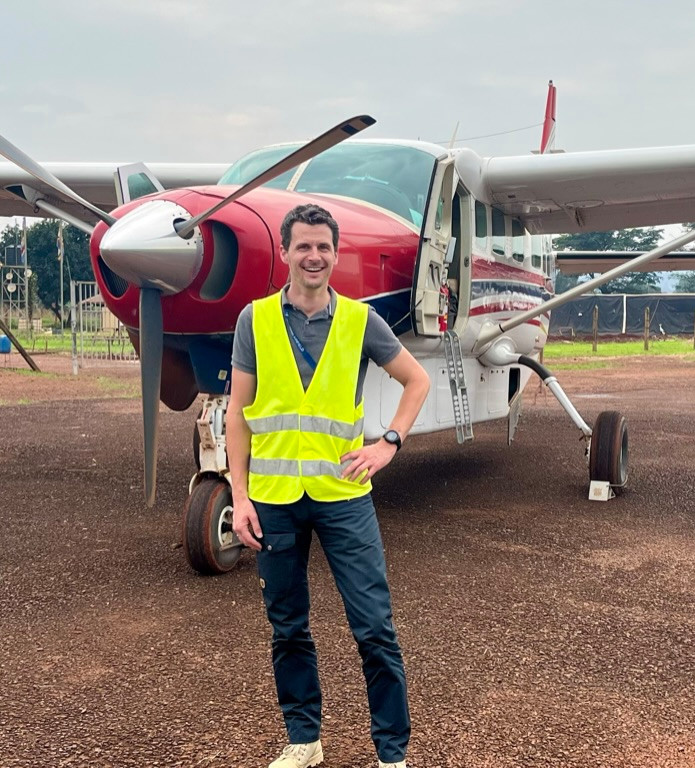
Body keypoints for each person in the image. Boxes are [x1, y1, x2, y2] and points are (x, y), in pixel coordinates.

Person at [227, 203, 431, 768]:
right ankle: (304, 740)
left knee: (374, 629)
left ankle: (393, 754)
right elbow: (237, 412)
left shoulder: (362, 322)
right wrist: (239, 497)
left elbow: (416, 380)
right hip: (273, 501)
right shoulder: (255, 320)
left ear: (335, 255)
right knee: (287, 627)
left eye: (323, 247)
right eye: (303, 246)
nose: (313, 256)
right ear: (286, 254)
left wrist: (388, 442)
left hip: (344, 497)